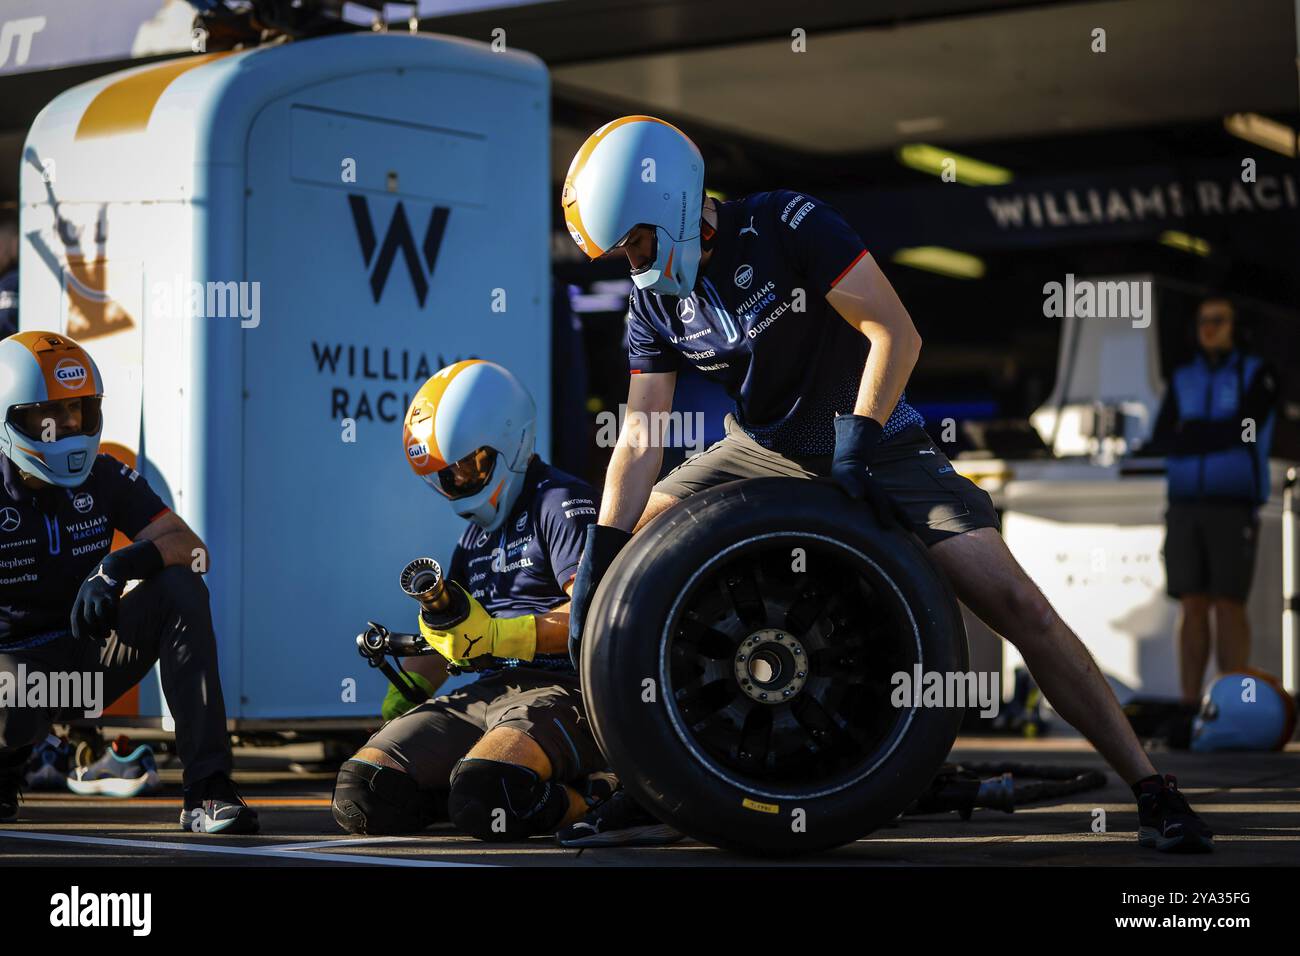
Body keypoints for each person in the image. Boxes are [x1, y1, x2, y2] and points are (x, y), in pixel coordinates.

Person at [558, 115, 1214, 853]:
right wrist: (605, 551)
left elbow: (896, 333)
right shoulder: (652, 301)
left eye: (635, 242)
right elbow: (641, 434)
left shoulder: (786, 221)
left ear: (671, 202)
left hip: (875, 439)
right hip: (759, 448)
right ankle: (635, 786)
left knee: (1020, 604)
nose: (633, 262)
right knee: (612, 587)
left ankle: (1153, 789)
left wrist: (857, 438)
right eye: (621, 252)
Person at [330, 360, 639, 843]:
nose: (455, 485)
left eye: (467, 468)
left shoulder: (559, 503)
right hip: (490, 691)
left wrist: (503, 634)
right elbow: (451, 634)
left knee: (488, 796)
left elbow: (595, 619)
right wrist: (409, 687)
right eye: (443, 476)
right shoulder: (474, 536)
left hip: (562, 689)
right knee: (363, 792)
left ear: (511, 442)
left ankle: (599, 796)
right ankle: (476, 792)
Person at [0, 330, 255, 833]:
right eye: (51, 416)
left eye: (80, 410)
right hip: (15, 676)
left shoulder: (105, 475)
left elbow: (195, 550)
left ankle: (206, 790)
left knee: (182, 588)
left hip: (89, 659)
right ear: (10, 417)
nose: (69, 427)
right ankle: (8, 763)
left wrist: (116, 568)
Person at [1148, 295, 1278, 703]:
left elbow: (1244, 432)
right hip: (1185, 503)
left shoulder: (1258, 373)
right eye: (1204, 320)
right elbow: (1162, 437)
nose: (1209, 328)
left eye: (1219, 320)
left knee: (1228, 604)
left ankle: (1233, 706)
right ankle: (1191, 706)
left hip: (1232, 503)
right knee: (1192, 603)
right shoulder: (1183, 377)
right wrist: (1211, 433)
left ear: (1237, 326)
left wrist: (1194, 434)